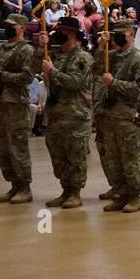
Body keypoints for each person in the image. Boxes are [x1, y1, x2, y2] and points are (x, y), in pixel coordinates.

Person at [33, 16, 93, 209]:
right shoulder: (56, 55)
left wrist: (53, 72)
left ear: (74, 35)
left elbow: (75, 82)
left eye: (64, 32)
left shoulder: (82, 57)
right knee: (58, 156)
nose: (60, 35)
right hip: (56, 115)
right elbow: (34, 66)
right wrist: (40, 47)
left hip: (75, 115)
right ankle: (65, 190)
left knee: (75, 156)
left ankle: (75, 193)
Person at [93, 19, 140, 212]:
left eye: (121, 33)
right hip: (109, 116)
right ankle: (120, 193)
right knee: (113, 159)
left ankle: (134, 196)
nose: (117, 37)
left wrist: (115, 83)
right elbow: (95, 68)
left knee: (129, 160)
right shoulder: (113, 56)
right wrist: (101, 47)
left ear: (131, 35)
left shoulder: (138, 59)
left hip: (127, 118)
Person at [0, 14, 36, 203]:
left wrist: (2, 75)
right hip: (1, 102)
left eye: (12, 25)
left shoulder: (26, 49)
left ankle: (24, 187)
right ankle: (13, 184)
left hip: (15, 103)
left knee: (17, 145)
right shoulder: (2, 48)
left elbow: (27, 77)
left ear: (22, 28)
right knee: (3, 147)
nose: (8, 28)